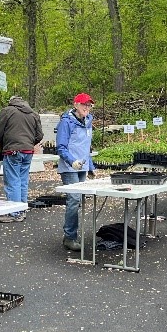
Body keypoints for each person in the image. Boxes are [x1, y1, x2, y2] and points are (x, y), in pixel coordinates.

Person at [0, 95, 43, 223]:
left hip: (12, 150)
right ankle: (21, 210)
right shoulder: (33, 113)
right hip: (28, 151)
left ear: (11, 101)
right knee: (22, 180)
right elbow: (39, 135)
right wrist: (30, 143)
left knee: (13, 181)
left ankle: (14, 212)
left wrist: (2, 145)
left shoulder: (7, 111)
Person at [57, 93, 95, 251]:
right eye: (84, 105)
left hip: (83, 167)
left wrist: (91, 166)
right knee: (73, 200)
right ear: (76, 105)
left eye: (89, 105)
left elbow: (87, 148)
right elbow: (61, 147)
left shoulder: (88, 121)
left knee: (79, 201)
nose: (87, 107)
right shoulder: (66, 122)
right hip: (70, 167)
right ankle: (70, 237)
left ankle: (72, 234)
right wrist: (72, 161)